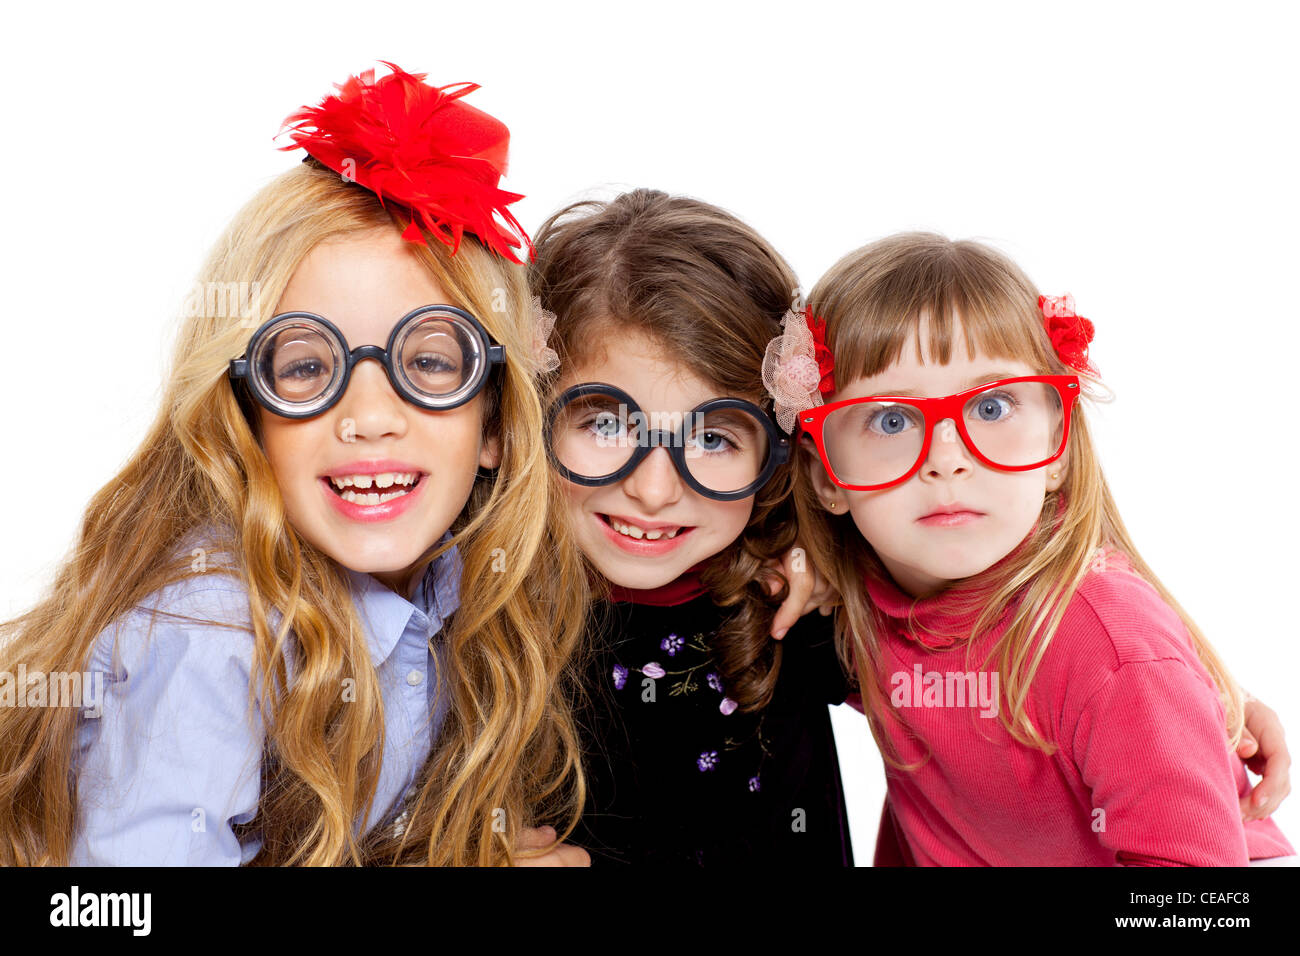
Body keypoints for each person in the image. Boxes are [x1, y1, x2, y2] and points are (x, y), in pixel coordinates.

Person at [0, 64, 589, 866]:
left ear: (497, 425)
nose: (372, 417)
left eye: (430, 363)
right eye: (308, 367)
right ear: (248, 421)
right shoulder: (213, 637)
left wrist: (785, 545)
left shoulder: (456, 586)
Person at [781, 231, 1294, 864]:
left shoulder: (1108, 652)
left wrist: (1177, 687)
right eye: (892, 419)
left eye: (992, 406)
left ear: (1057, 437)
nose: (948, 458)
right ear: (826, 472)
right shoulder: (858, 602)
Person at [530, 189, 852, 864]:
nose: (653, 490)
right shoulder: (463, 612)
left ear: (778, 452)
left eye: (713, 439)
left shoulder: (799, 607)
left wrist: (838, 558)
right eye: (606, 424)